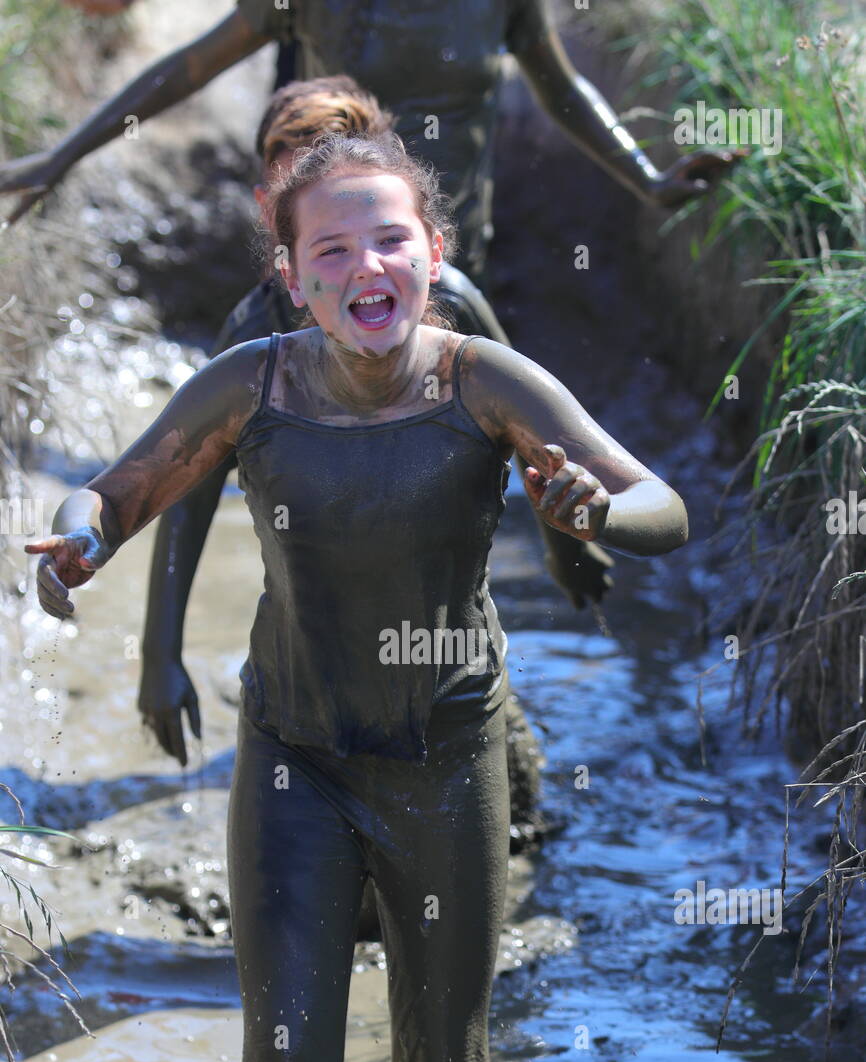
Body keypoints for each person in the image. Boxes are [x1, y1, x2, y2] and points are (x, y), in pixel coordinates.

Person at [25, 131, 688, 1062]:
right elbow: (117, 492)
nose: (363, 267)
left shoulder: (484, 379)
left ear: (433, 252)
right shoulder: (252, 382)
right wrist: (74, 543)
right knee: (287, 1057)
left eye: (390, 239)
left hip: (447, 761)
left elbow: (661, 505)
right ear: (292, 277)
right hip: (296, 761)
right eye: (329, 249)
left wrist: (590, 512)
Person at [138, 75, 610, 775]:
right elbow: (187, 493)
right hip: (316, 649)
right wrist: (157, 651)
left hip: (446, 649)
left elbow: (535, 435)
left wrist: (565, 546)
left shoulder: (448, 306)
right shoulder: (251, 339)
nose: (356, 249)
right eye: (319, 215)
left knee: (509, 792)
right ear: (276, 218)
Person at [0, 0, 739, 288]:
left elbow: (565, 90)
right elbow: (186, 68)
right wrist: (61, 157)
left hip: (448, 258)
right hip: (330, 254)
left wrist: (651, 180)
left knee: (459, 437)